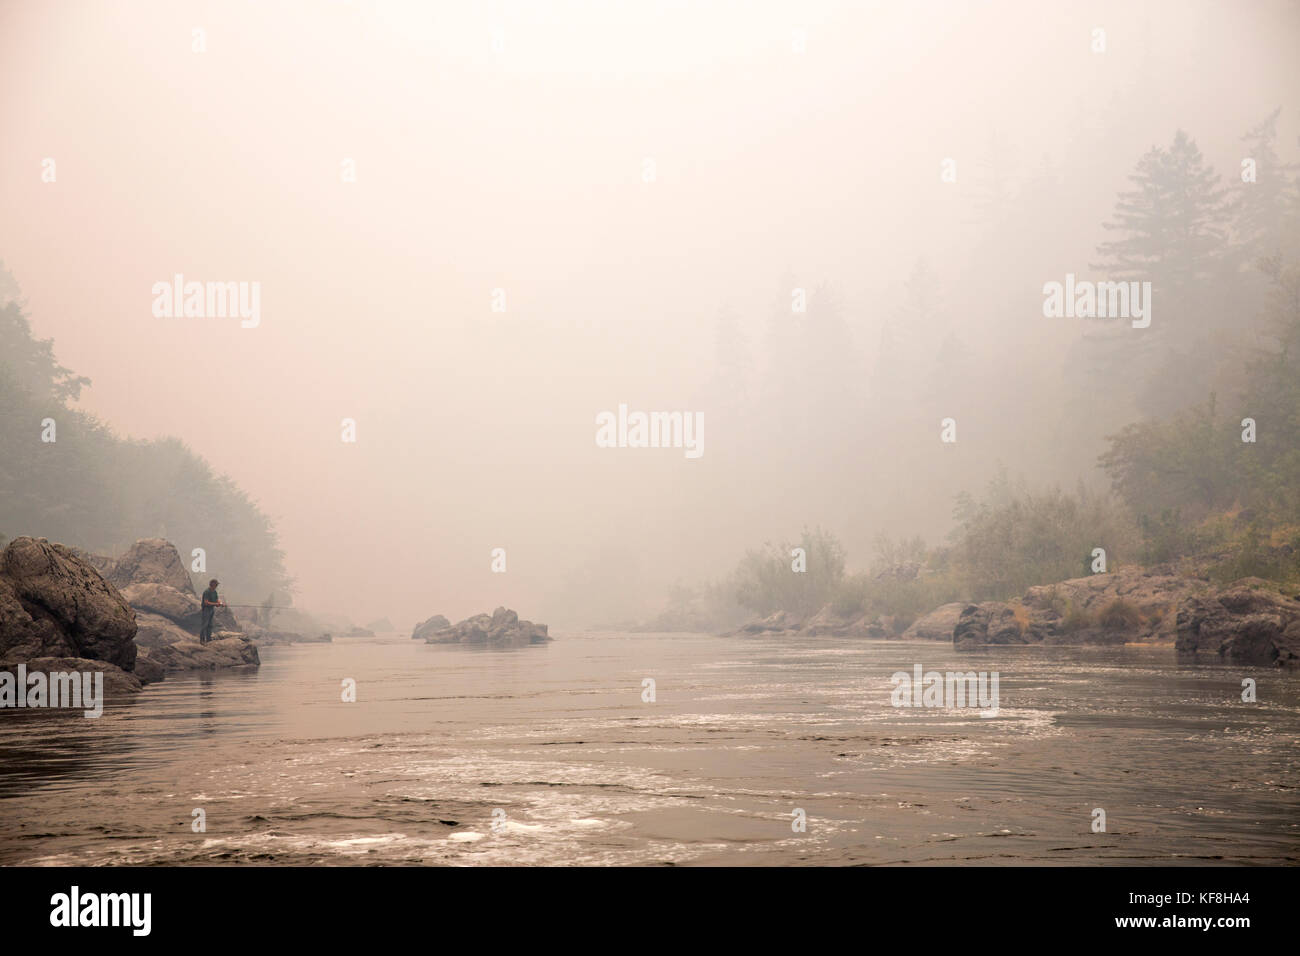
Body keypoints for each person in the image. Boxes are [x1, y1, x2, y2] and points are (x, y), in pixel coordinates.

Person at [200, 579, 224, 644]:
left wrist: (220, 603)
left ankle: (208, 639)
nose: (216, 586)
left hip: (211, 610)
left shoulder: (214, 591)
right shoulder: (207, 592)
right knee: (204, 625)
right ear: (212, 584)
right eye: (216, 584)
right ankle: (202, 640)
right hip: (206, 610)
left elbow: (216, 599)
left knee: (210, 625)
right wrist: (216, 604)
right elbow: (206, 602)